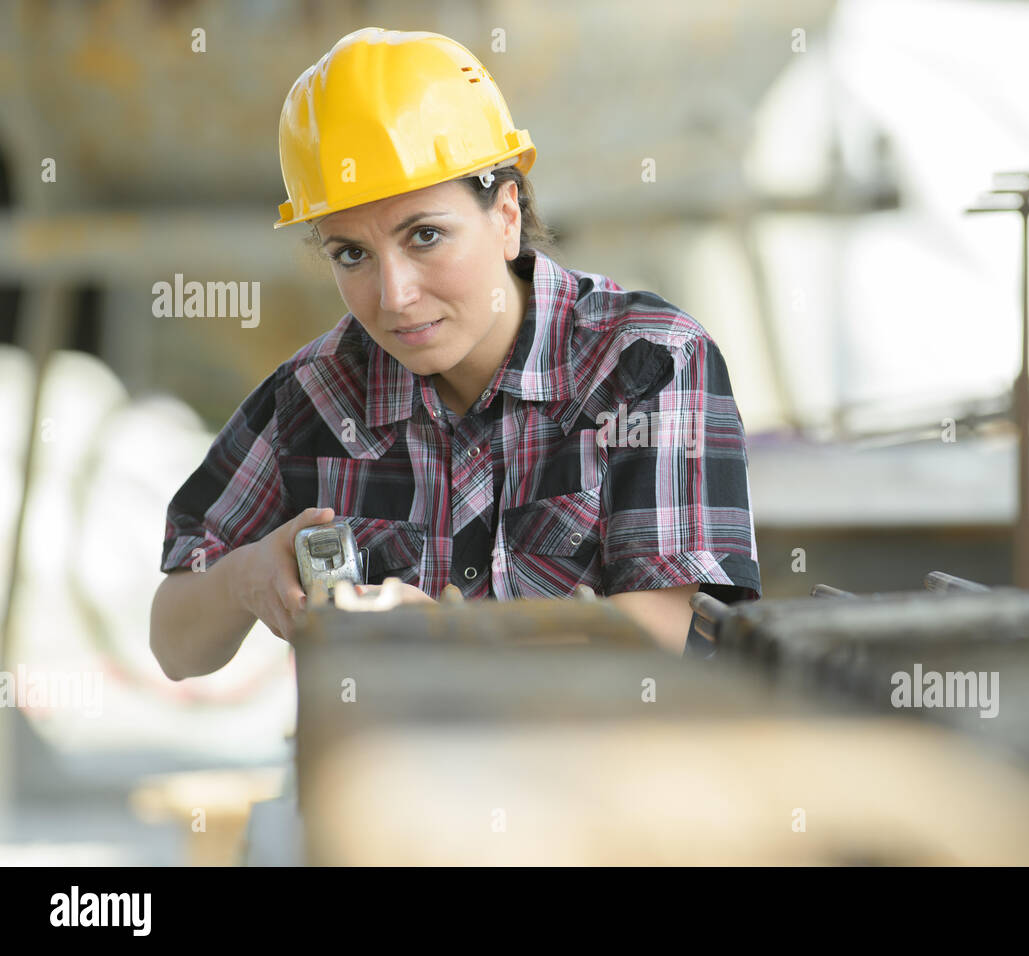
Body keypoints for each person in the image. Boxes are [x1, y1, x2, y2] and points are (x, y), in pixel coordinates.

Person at [149, 27, 760, 678]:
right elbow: (174, 646)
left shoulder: (648, 365)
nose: (394, 295)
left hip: (601, 774)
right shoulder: (315, 395)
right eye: (351, 254)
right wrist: (245, 578)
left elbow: (658, 642)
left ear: (505, 216)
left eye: (426, 236)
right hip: (385, 776)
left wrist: (444, 633)